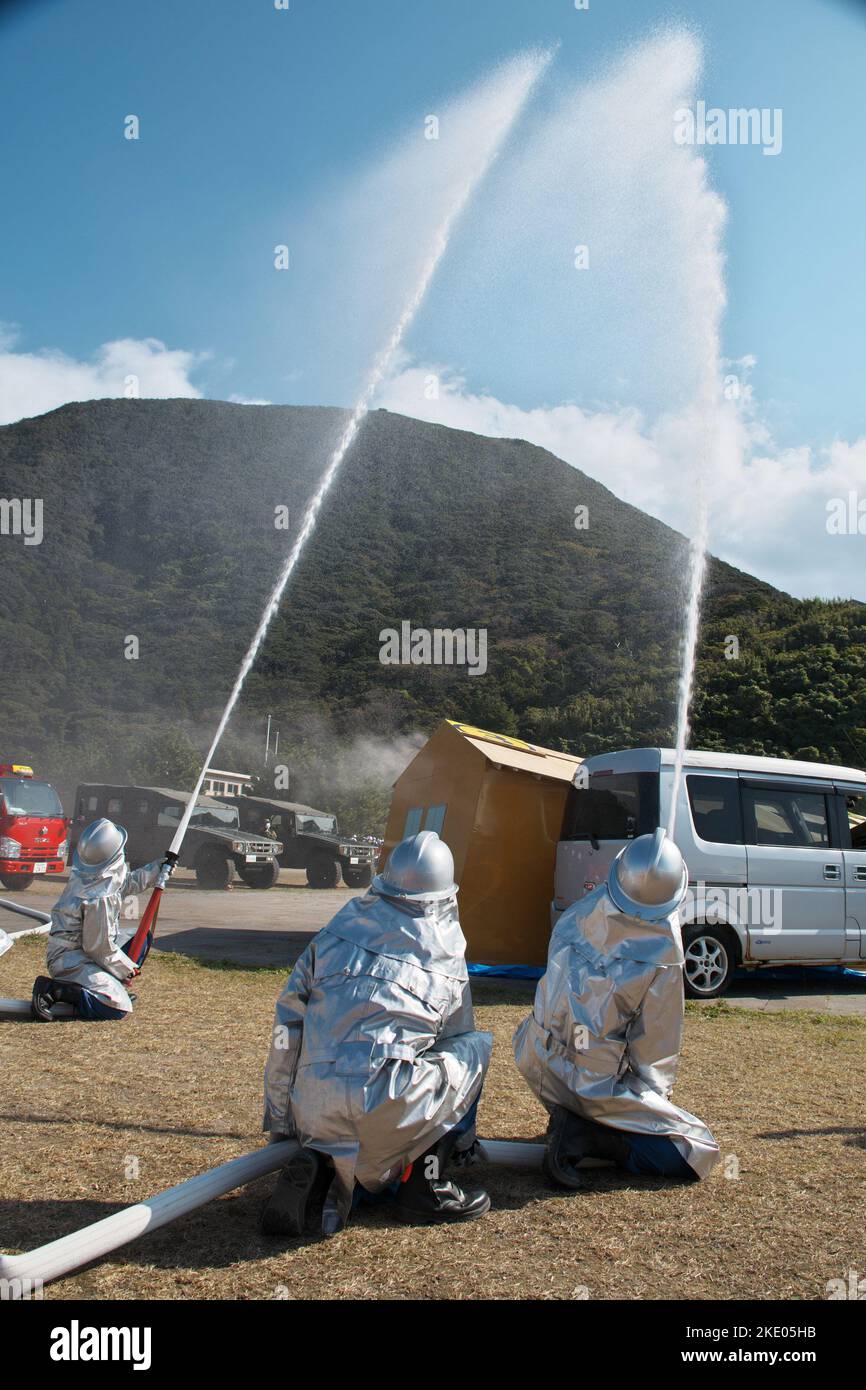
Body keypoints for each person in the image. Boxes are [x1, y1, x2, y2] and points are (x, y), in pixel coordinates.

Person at [260, 830, 492, 1237]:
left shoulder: (334, 932)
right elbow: (455, 1035)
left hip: (315, 1104)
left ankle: (320, 1166)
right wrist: (462, 1140)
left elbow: (288, 1027)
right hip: (386, 1102)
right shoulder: (444, 950)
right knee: (474, 1047)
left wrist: (281, 1121)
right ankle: (427, 1183)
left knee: (358, 1145)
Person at [513, 829, 720, 1186]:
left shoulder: (575, 913)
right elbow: (654, 1049)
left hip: (535, 1058)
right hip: (588, 1082)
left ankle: (576, 1124)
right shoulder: (663, 953)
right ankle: (588, 1136)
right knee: (696, 1152)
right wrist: (650, 1110)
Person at [32, 818, 168, 1022]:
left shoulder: (94, 873)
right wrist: (126, 970)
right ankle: (56, 990)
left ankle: (106, 986)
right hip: (71, 960)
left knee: (141, 939)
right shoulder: (98, 896)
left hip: (87, 951)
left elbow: (128, 883)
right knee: (117, 1007)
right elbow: (97, 947)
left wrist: (159, 868)